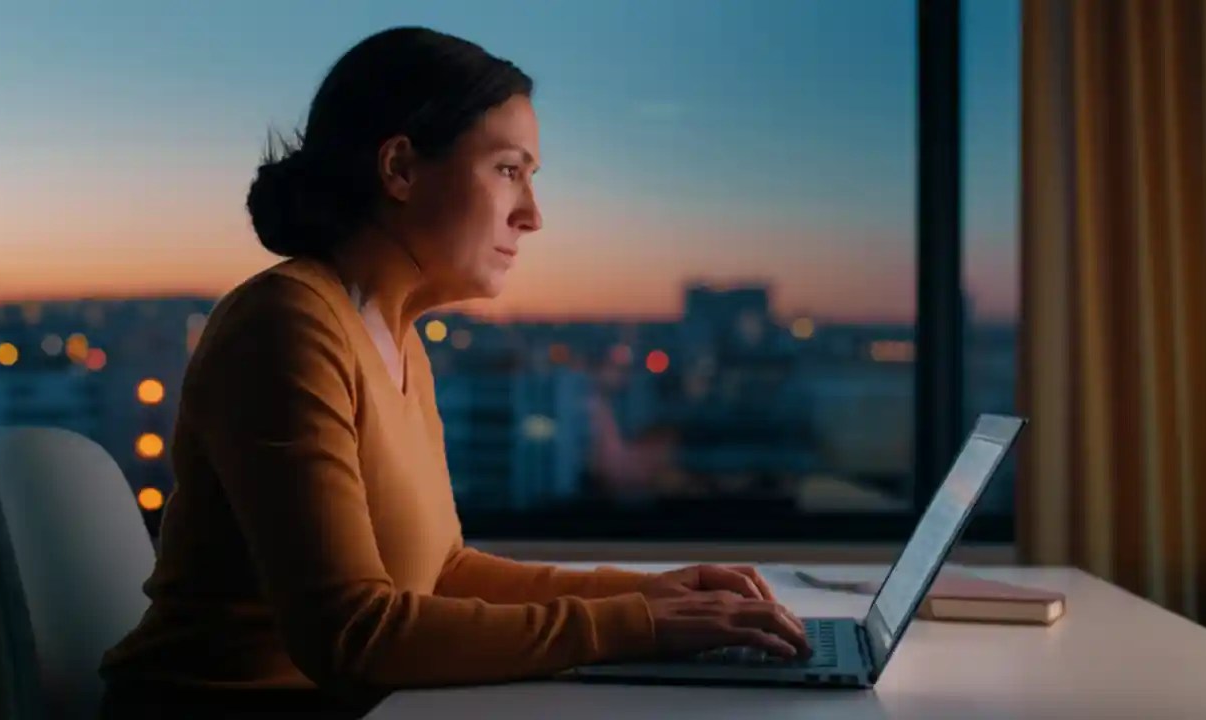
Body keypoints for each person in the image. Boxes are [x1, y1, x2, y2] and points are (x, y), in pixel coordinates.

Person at [98, 26, 810, 717]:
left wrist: (655, 596)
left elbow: (441, 574)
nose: (531, 214)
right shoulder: (287, 325)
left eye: (531, 178)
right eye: (508, 170)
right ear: (401, 168)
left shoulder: (398, 339)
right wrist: (635, 625)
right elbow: (354, 636)